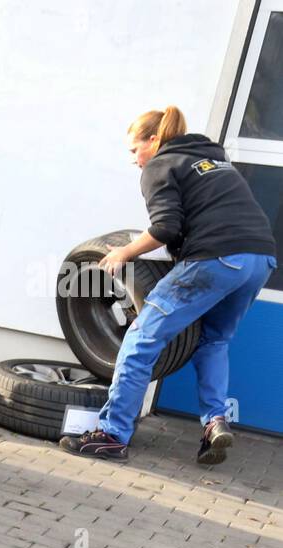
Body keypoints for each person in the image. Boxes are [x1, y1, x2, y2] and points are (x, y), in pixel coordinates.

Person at [60, 105, 277, 465]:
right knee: (214, 339)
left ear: (154, 140)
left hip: (216, 258)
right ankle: (214, 423)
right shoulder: (214, 162)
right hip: (259, 260)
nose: (133, 160)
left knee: (140, 340)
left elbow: (165, 228)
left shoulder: (161, 165)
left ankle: (112, 435)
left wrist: (125, 252)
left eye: (134, 149)